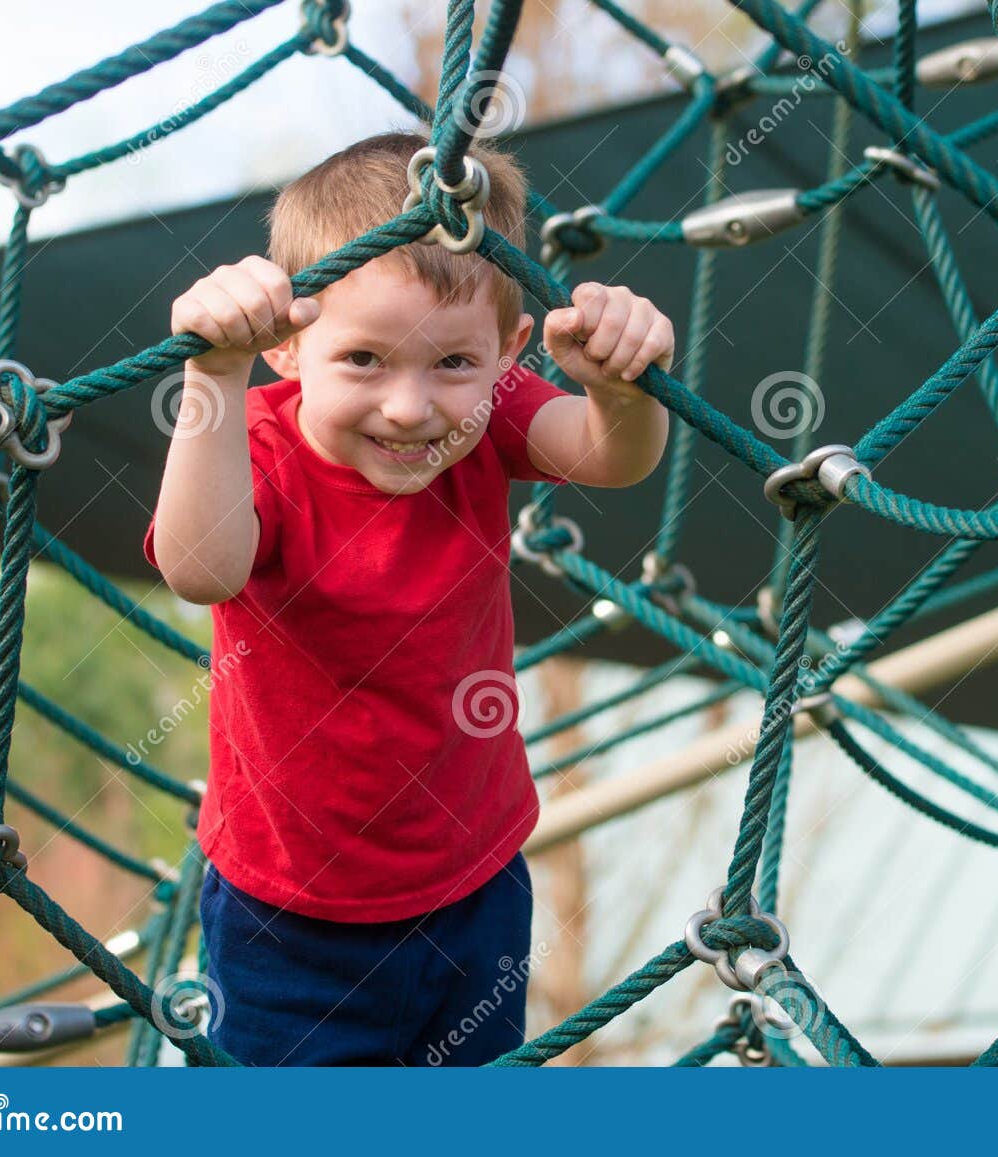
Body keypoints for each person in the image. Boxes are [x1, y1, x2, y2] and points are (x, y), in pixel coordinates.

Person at [143, 129, 673, 1065]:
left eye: (453, 365)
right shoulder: (255, 447)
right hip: (289, 915)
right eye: (363, 362)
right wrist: (212, 372)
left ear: (508, 353)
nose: (409, 406)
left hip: (474, 886)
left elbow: (612, 455)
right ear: (288, 346)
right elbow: (201, 567)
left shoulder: (488, 416)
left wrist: (622, 387)